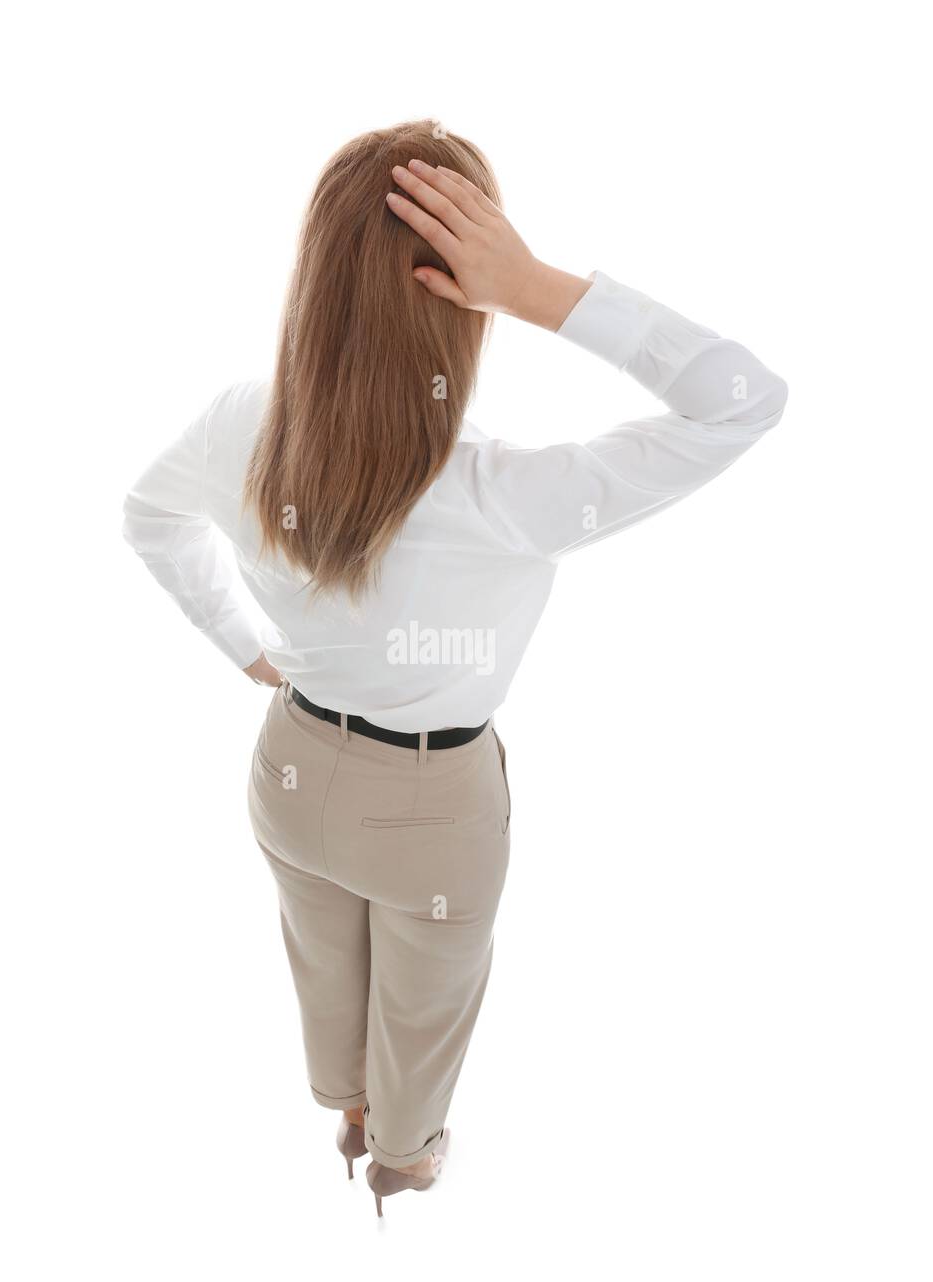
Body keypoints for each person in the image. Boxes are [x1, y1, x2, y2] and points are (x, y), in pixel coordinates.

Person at [121, 119, 787, 1217]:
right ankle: (402, 1156)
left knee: (322, 957)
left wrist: (241, 646)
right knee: (423, 1003)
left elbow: (148, 517)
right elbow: (743, 399)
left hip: (288, 766)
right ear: (456, 302)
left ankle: (343, 1107)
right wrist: (536, 287)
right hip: (433, 804)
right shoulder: (502, 497)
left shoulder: (242, 423)